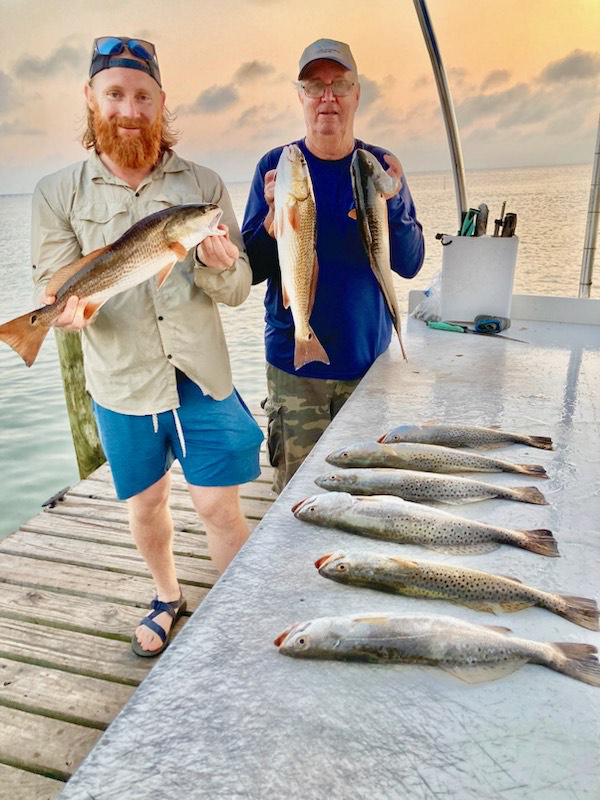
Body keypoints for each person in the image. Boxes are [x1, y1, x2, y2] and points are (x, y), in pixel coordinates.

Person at [31, 37, 263, 656]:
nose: (129, 109)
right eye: (115, 95)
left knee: (218, 505)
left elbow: (238, 289)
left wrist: (216, 263)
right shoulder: (57, 193)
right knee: (147, 504)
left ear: (161, 103)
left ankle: (239, 609)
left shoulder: (204, 186)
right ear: (91, 99)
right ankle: (167, 595)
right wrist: (66, 311)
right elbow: (55, 281)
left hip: (199, 374)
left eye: (142, 96)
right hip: (122, 382)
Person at [242, 38, 424, 494]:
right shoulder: (277, 165)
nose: (328, 97)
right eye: (315, 85)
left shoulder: (376, 164)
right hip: (295, 371)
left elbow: (410, 263)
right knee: (297, 500)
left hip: (368, 369)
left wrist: (394, 200)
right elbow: (253, 269)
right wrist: (271, 219)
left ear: (357, 93)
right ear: (300, 95)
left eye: (339, 84)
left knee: (369, 497)